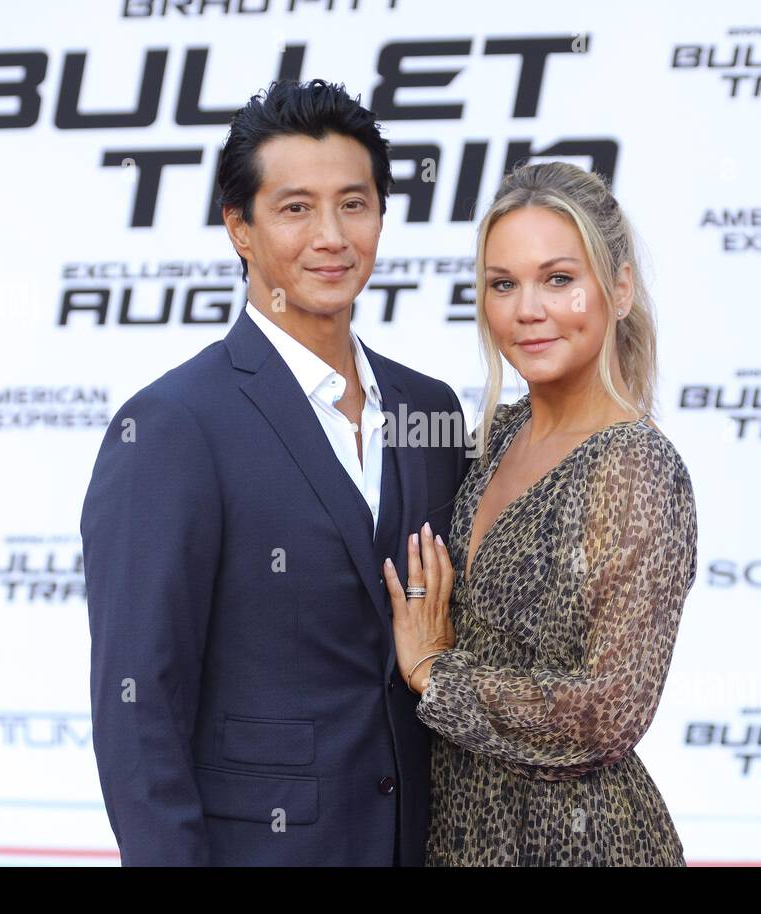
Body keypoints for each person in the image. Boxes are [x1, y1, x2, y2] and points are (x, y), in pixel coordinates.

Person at [81, 79, 470, 866]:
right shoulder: (173, 425)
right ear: (240, 229)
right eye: (296, 208)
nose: (331, 235)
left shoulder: (431, 412)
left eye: (353, 204)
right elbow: (139, 710)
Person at [382, 160, 699, 865]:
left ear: (618, 289)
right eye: (504, 284)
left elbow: (609, 710)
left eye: (559, 279)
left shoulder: (633, 468)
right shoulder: (498, 437)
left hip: (579, 843)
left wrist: (438, 674)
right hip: (464, 833)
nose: (527, 309)